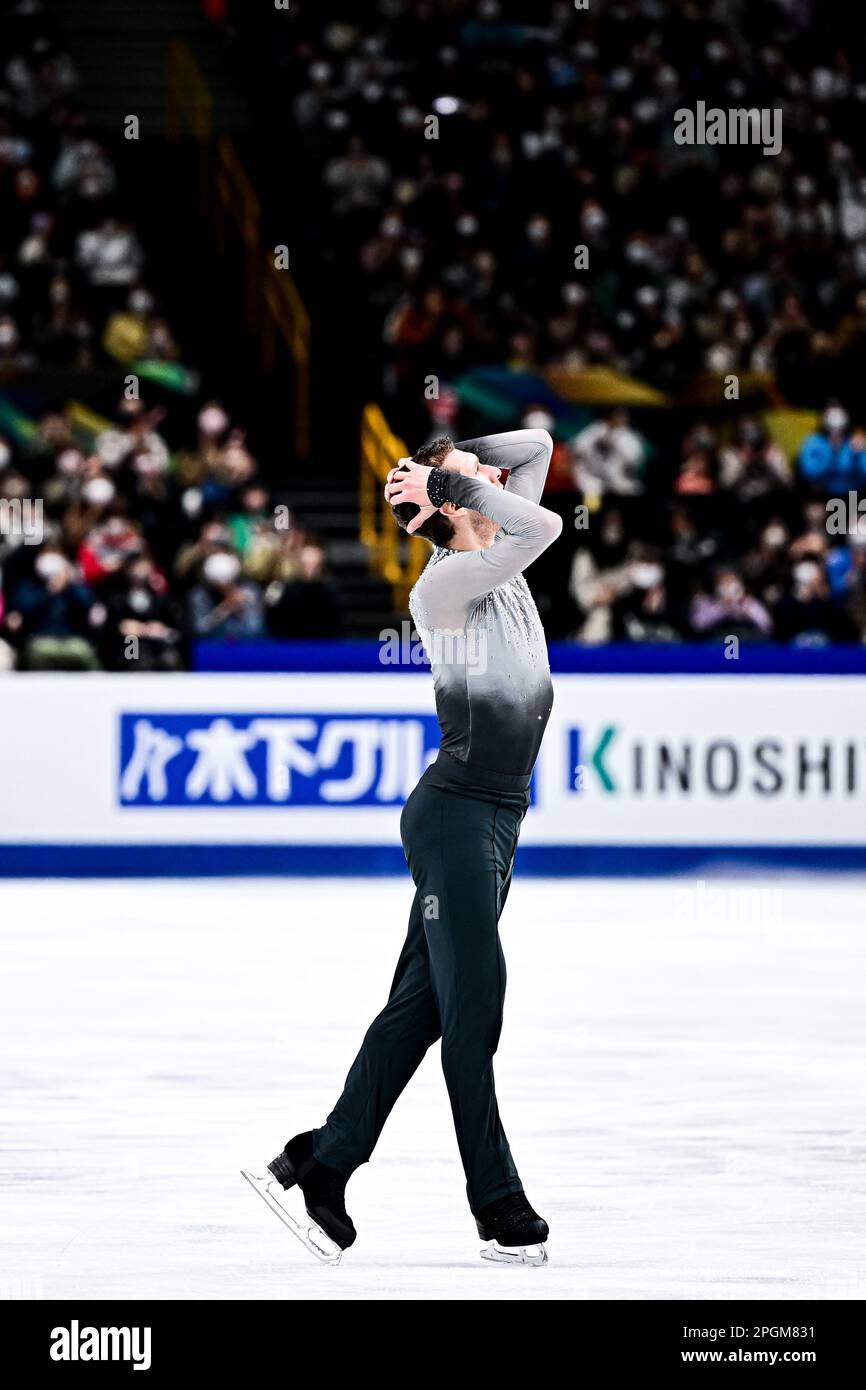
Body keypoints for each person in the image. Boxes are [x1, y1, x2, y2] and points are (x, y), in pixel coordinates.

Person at [243, 430, 562, 1264]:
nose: (501, 478)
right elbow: (545, 524)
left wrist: (457, 464)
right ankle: (498, 1204)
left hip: (498, 817)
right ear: (454, 506)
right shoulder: (448, 587)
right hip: (455, 815)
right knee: (474, 1007)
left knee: (417, 1011)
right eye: (476, 478)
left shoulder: (502, 560)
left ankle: (322, 1159)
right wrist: (450, 481)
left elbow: (538, 444)